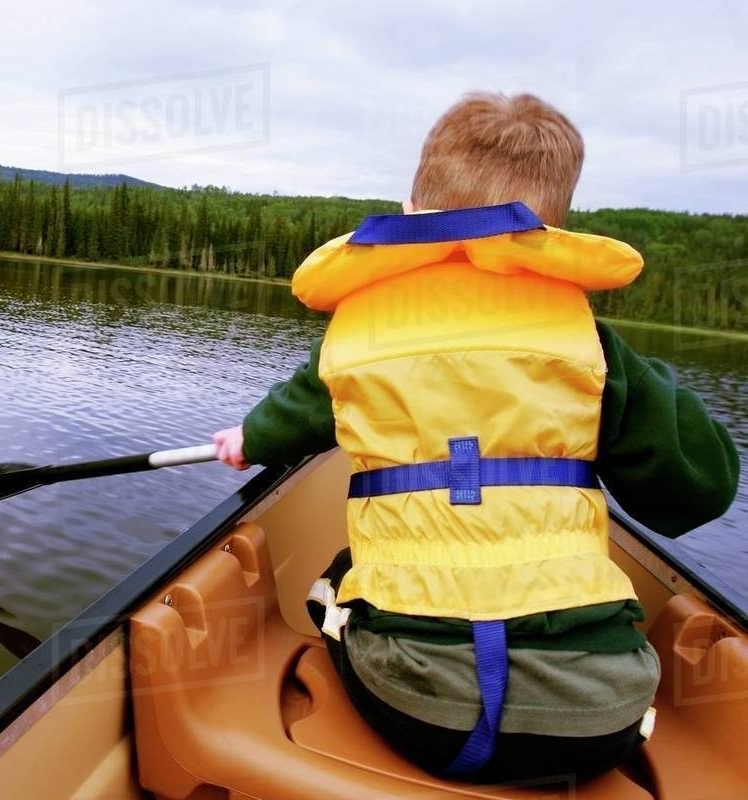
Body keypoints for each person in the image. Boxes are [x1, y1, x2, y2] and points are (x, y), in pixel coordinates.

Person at [212, 92, 740, 784]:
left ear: (409, 216)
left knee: (333, 581)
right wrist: (635, 383)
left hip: (416, 706)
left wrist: (245, 440)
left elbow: (281, 422)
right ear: (549, 236)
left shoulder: (355, 340)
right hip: (599, 716)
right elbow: (699, 491)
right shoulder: (591, 351)